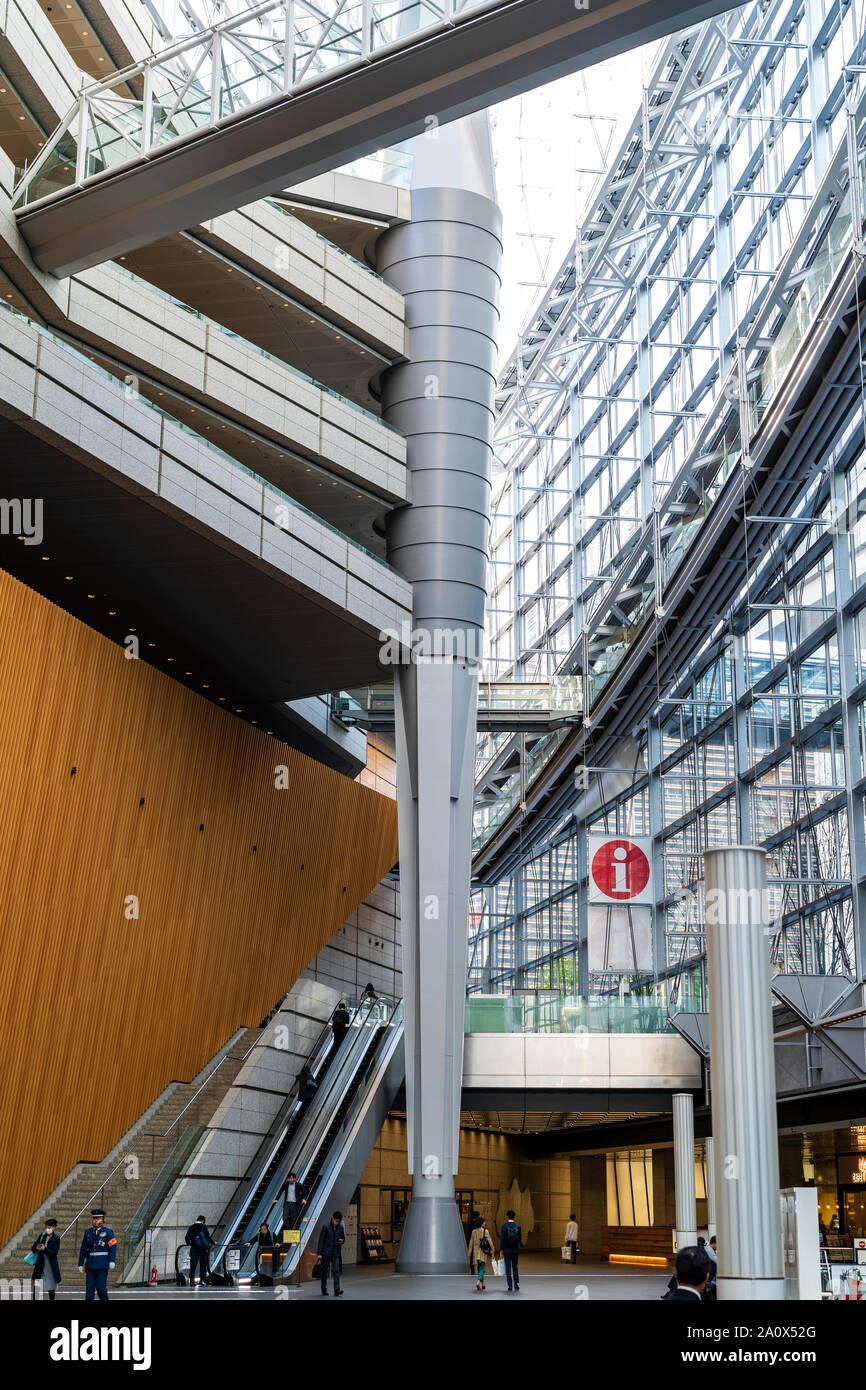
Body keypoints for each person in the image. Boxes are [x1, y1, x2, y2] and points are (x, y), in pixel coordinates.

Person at [78, 1208, 117, 1301]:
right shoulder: (88, 1232)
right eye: (94, 1218)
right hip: (90, 1265)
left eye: (98, 1218)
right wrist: (80, 1263)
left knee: (101, 1289)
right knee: (89, 1290)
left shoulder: (108, 1232)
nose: (96, 1220)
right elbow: (83, 1249)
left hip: (102, 1265)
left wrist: (112, 1260)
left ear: (102, 1219)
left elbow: (113, 1246)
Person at [316, 1210, 346, 1296]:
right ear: (332, 1218)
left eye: (338, 1221)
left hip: (336, 1252)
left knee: (336, 1271)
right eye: (336, 1221)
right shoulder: (326, 1227)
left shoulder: (341, 1227)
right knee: (324, 1271)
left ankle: (337, 1290)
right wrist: (319, 1253)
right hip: (326, 1252)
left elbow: (343, 1237)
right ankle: (324, 1289)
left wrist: (342, 1241)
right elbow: (321, 1240)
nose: (337, 1223)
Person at [31, 1218, 61, 1300]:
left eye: (49, 1227)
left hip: (50, 1265)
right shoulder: (42, 1236)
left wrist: (45, 1249)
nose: (47, 1229)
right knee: (37, 1286)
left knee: (51, 1287)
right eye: (46, 1227)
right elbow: (33, 1248)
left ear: (54, 1227)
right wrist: (36, 1247)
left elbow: (54, 1252)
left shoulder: (56, 1239)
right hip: (40, 1263)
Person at [185, 1215, 215, 1288]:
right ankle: (202, 1281)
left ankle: (192, 1281)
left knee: (193, 1266)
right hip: (202, 1250)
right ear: (202, 1221)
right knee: (203, 1266)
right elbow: (207, 1237)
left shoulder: (191, 1227)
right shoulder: (203, 1227)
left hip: (194, 1249)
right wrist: (213, 1242)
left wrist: (190, 1243)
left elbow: (186, 1238)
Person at [466, 1218, 496, 1292]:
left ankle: (483, 1284)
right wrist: (493, 1250)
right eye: (484, 1222)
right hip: (483, 1252)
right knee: (482, 1268)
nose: (485, 1223)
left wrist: (469, 1253)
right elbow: (490, 1241)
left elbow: (471, 1243)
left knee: (480, 1269)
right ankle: (478, 1282)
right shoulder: (485, 1231)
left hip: (475, 1252)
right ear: (481, 1223)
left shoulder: (473, 1232)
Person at [244, 1222, 276, 1287]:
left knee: (269, 1267)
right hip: (261, 1253)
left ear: (267, 1229)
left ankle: (269, 1280)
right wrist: (249, 1243)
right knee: (262, 1267)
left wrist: (277, 1243)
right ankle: (263, 1280)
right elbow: (253, 1240)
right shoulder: (259, 1235)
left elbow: (277, 1239)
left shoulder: (272, 1234)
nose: (263, 1231)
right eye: (262, 1229)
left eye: (264, 1229)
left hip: (269, 1254)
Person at [500, 1209, 521, 1292]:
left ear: (507, 1216)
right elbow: (519, 1238)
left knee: (508, 1267)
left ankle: (509, 1285)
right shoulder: (518, 1226)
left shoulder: (504, 1226)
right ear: (514, 1216)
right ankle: (516, 1284)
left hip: (506, 1250)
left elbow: (502, 1239)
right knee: (515, 1266)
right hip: (515, 1250)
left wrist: (501, 1249)